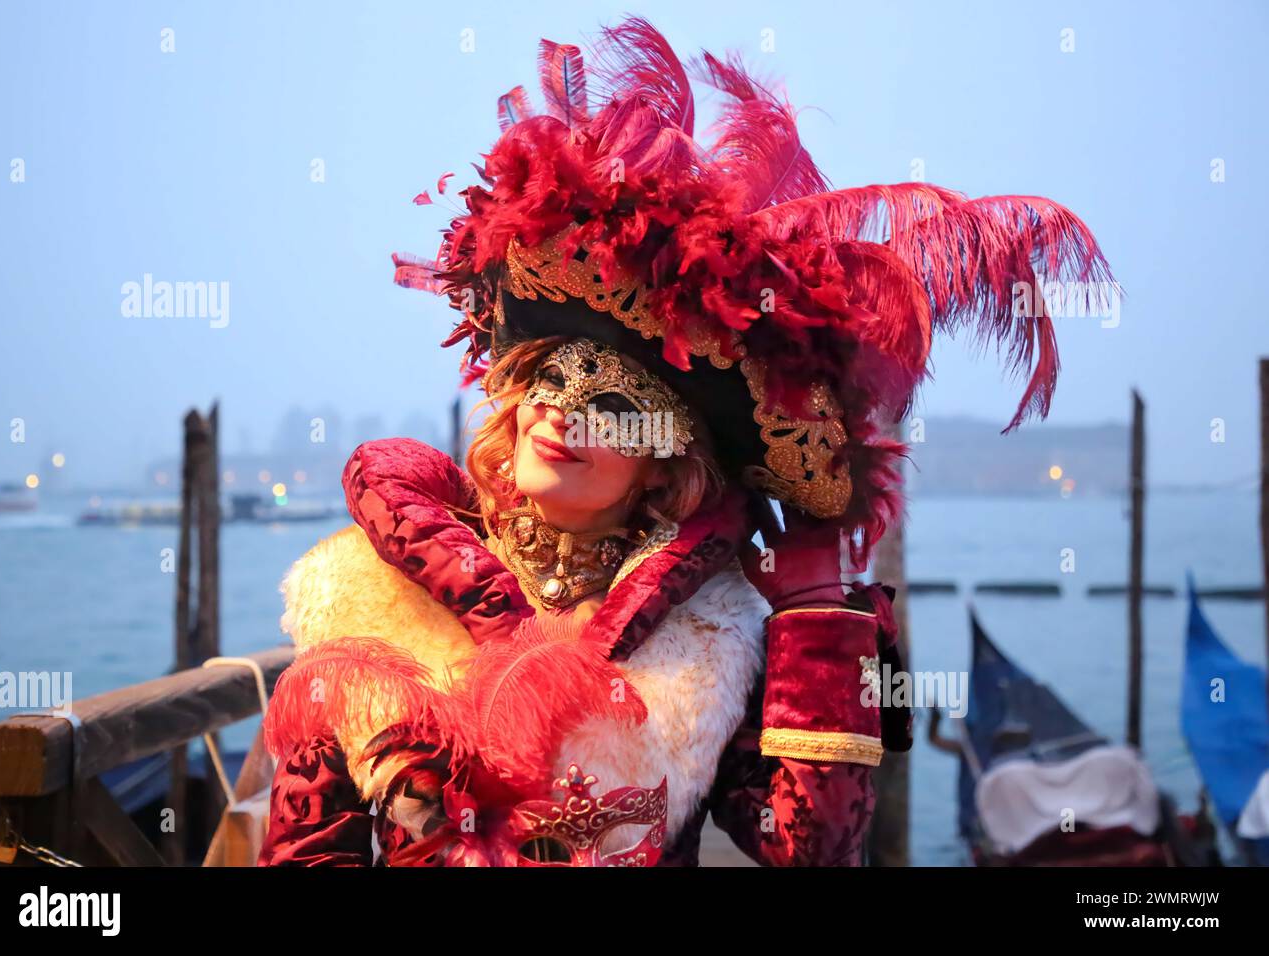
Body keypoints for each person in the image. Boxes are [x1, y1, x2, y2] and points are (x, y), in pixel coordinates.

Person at [258, 17, 1112, 867]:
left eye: (617, 407)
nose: (566, 412)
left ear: (665, 468)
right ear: (513, 400)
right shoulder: (369, 589)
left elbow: (809, 851)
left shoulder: (716, 633)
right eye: (549, 381)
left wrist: (817, 615)